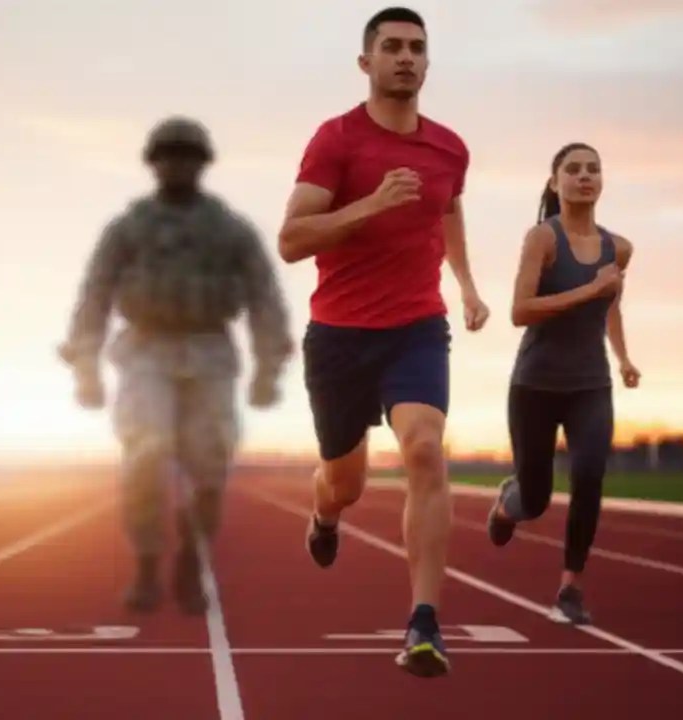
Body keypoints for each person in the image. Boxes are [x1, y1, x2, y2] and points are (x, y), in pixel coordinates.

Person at [276, 7, 489, 678]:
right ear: (366, 63)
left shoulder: (450, 148)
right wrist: (370, 205)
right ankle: (323, 512)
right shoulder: (336, 140)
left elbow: (448, 209)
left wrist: (467, 283)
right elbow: (290, 241)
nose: (405, 57)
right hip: (339, 336)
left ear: (428, 64)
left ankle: (424, 622)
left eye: (416, 48)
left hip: (416, 330)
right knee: (346, 483)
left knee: (425, 449)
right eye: (391, 47)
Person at [58, 116, 294, 616]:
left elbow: (263, 297)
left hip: (210, 352)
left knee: (210, 465)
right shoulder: (129, 229)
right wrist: (85, 364)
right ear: (154, 163)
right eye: (168, 155)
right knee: (145, 453)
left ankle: (190, 559)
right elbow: (94, 295)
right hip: (146, 351)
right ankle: (146, 564)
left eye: (188, 156)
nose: (178, 164)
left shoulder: (230, 230)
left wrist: (268, 366)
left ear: (202, 164)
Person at [485, 141, 639, 626]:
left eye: (593, 169)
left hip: (590, 384)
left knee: (590, 475)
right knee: (535, 498)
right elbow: (519, 311)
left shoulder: (620, 249)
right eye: (573, 169)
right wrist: (589, 288)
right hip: (535, 384)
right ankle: (509, 505)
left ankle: (570, 587)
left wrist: (623, 357)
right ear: (556, 183)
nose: (584, 176)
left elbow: (610, 305)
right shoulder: (542, 239)